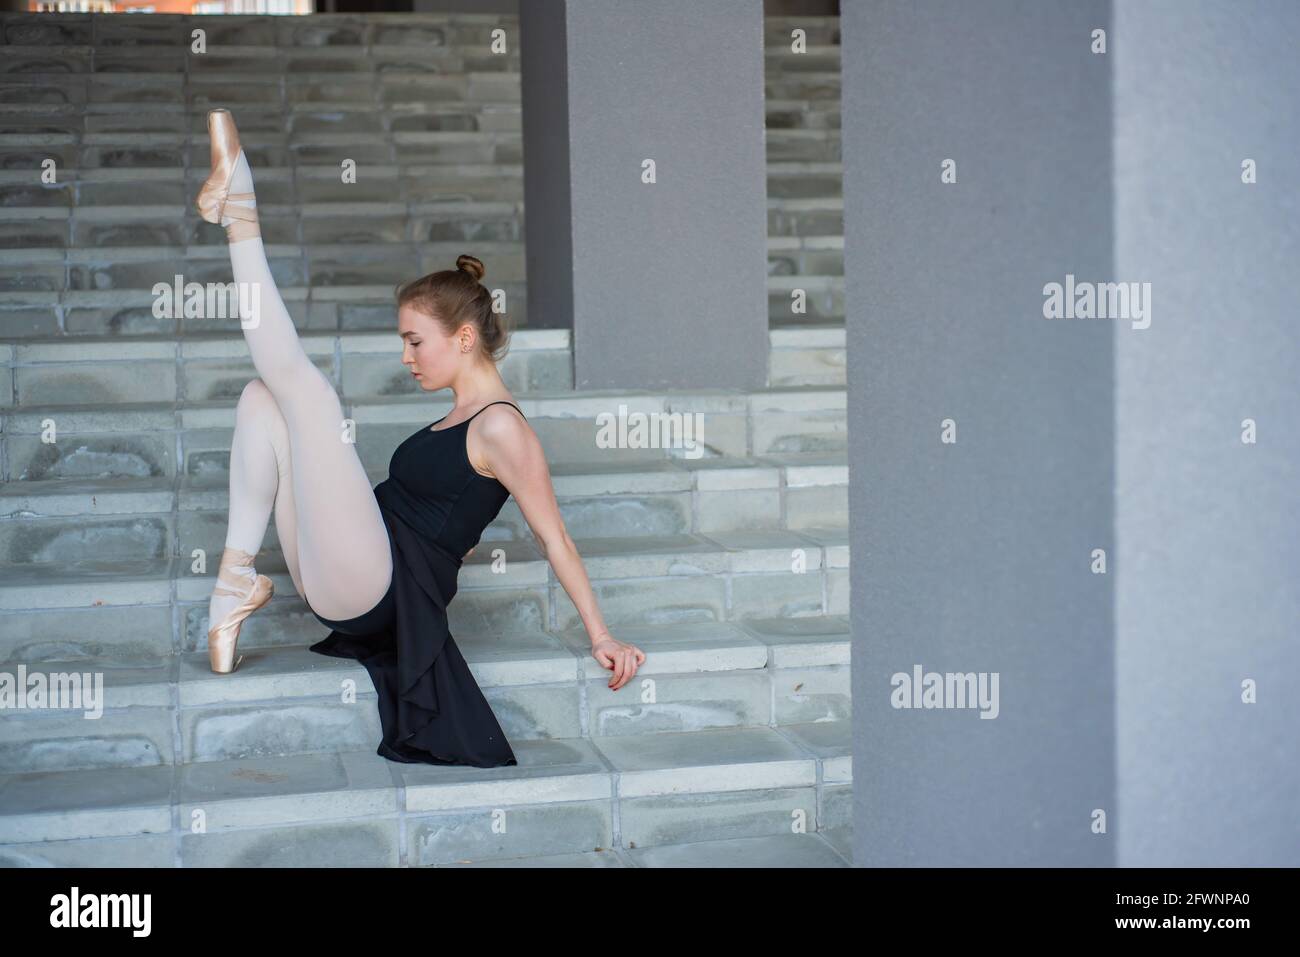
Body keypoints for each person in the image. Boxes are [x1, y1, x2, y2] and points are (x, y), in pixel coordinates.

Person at [196, 108, 644, 767]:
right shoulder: (454, 420)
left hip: (382, 593)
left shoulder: (501, 427)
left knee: (307, 393)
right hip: (349, 565)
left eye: (415, 341)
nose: (406, 357)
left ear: (462, 338)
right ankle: (235, 579)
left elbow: (556, 539)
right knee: (261, 398)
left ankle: (241, 214)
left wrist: (601, 634)